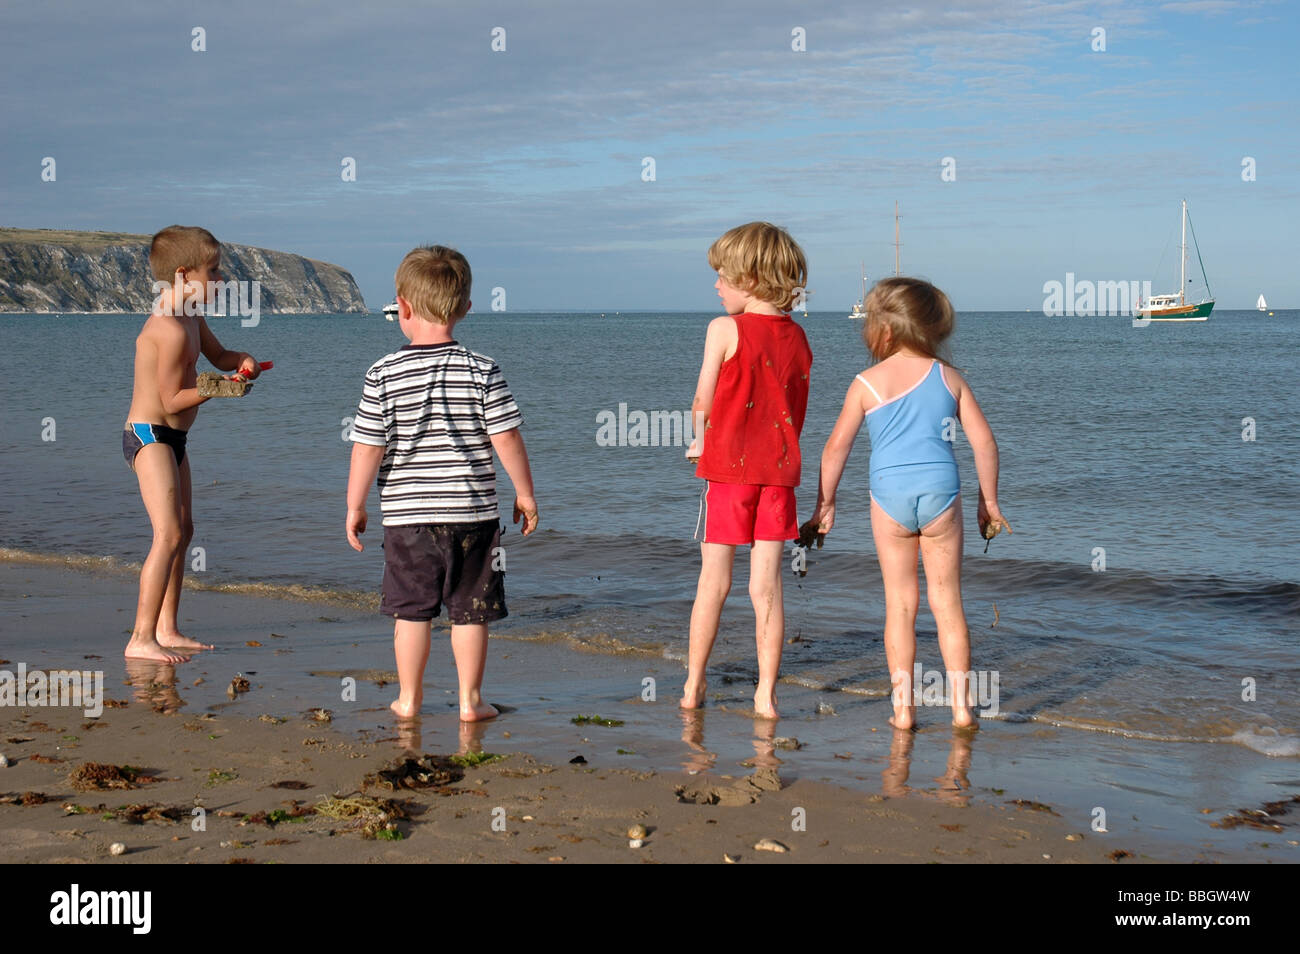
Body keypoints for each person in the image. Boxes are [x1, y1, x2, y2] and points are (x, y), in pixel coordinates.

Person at [806, 277, 1009, 730]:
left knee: (900, 605)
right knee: (948, 603)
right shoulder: (948, 377)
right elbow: (984, 443)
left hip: (889, 498)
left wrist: (826, 504)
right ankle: (961, 709)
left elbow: (835, 449)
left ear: (884, 331)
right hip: (943, 496)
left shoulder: (866, 383)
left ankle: (903, 712)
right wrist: (989, 502)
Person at [346, 245, 538, 722]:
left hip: (408, 518)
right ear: (466, 309)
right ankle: (471, 702)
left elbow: (368, 445)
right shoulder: (483, 369)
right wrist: (526, 492)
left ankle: (409, 699)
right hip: (473, 516)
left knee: (411, 612)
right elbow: (506, 436)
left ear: (402, 307)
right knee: (471, 612)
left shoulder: (383, 373)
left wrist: (355, 504)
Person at [681, 222, 812, 719]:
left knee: (713, 581)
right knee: (767, 587)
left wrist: (698, 440)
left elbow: (702, 400)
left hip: (729, 470)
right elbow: (791, 407)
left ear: (750, 279)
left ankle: (694, 684)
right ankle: (766, 695)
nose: (716, 285)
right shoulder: (798, 337)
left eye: (722, 276)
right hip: (778, 473)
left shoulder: (724, 329)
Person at [123, 225, 262, 662]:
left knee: (185, 533)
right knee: (167, 533)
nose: (221, 280)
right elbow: (170, 398)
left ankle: (168, 627)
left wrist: (240, 362)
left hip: (175, 438)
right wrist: (217, 388)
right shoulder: (165, 329)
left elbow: (219, 357)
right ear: (184, 275)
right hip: (148, 437)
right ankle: (140, 637)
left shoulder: (190, 319)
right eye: (214, 271)